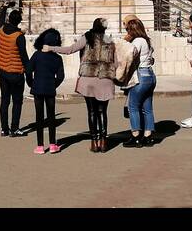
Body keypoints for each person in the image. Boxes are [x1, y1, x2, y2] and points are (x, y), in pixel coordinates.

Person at [46, 17, 117, 152]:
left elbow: (70, 49)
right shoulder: (109, 40)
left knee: (91, 111)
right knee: (102, 111)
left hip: (88, 78)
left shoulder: (87, 37)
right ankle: (103, 142)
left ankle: (94, 142)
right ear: (105, 28)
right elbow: (116, 62)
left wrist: (51, 48)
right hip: (105, 79)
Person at [26, 28, 65, 154]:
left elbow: (28, 70)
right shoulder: (57, 58)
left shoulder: (37, 55)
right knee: (51, 117)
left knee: (39, 117)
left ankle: (40, 146)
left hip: (37, 88)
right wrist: (54, 85)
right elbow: (60, 76)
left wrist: (31, 83)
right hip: (50, 89)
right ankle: (53, 144)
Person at [0, 9, 30, 137]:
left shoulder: (1, 30)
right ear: (19, 22)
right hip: (16, 73)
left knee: (5, 101)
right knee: (17, 101)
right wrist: (29, 74)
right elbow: (24, 57)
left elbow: (0, 20)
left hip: (3, 72)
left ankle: (4, 129)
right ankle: (14, 128)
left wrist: (3, 8)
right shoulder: (19, 37)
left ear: (9, 19)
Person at [122, 17, 155, 147]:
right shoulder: (147, 40)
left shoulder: (137, 41)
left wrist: (125, 41)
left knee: (133, 107)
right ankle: (148, 136)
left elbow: (129, 56)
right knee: (147, 108)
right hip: (150, 75)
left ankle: (135, 136)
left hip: (140, 75)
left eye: (128, 29)